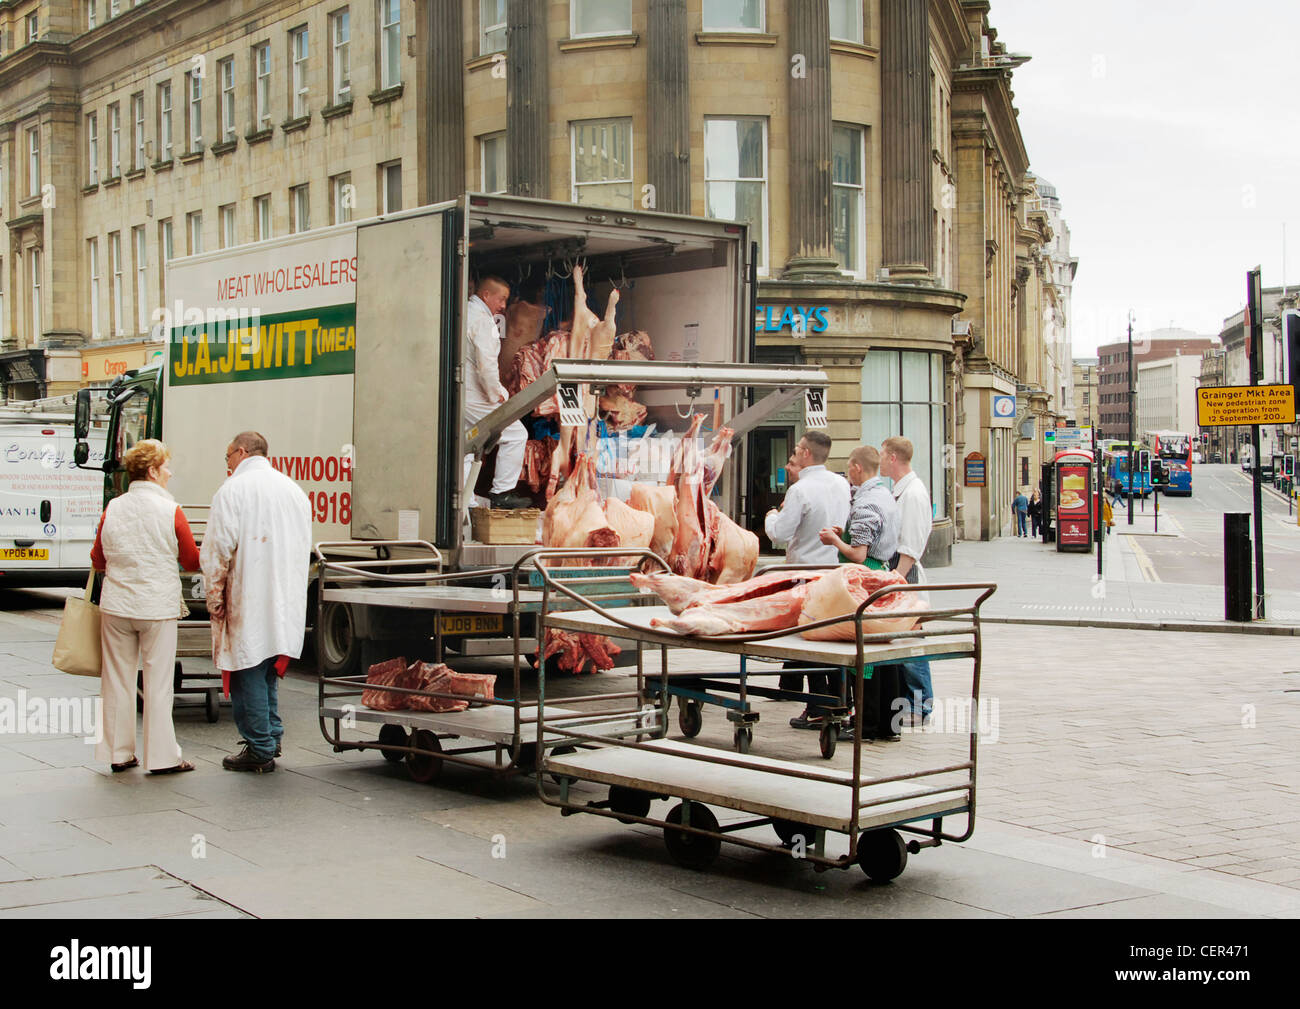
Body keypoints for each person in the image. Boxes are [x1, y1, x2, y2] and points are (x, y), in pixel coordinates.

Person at [201, 431, 312, 773]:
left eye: (227, 457)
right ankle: (271, 735)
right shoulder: (294, 491)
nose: (228, 465)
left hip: (246, 598)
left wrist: (215, 598)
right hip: (285, 597)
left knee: (247, 670)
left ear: (241, 451)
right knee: (265, 670)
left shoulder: (232, 490)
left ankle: (260, 745)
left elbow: (217, 551)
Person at [91, 440, 199, 775]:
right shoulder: (171, 510)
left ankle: (118, 753)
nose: (170, 471)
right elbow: (191, 560)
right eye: (166, 466)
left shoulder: (113, 508)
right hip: (156, 607)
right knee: (158, 683)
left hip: (117, 606)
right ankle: (163, 757)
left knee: (117, 680)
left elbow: (97, 559)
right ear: (152, 471)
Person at [764, 431, 850, 729]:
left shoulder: (800, 490)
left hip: (805, 574)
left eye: (798, 449)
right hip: (834, 574)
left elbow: (780, 534)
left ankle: (817, 706)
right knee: (833, 639)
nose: (795, 453)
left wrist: (771, 516)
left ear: (806, 454)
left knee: (809, 640)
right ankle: (840, 702)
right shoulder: (841, 485)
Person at [818, 445, 904, 741]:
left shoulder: (866, 502)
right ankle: (889, 724)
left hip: (864, 577)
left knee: (863, 656)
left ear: (857, 467)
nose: (848, 473)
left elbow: (857, 554)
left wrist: (834, 540)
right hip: (882, 572)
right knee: (882, 652)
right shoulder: (885, 495)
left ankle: (865, 724)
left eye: (849, 468)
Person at [879, 436, 933, 725]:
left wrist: (895, 580)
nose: (879, 459)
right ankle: (910, 702)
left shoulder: (912, 494)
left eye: (882, 453)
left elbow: (910, 545)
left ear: (892, 458)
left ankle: (921, 705)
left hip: (906, 573)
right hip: (900, 571)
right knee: (904, 639)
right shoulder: (902, 490)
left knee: (911, 640)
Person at [464, 275, 530, 509]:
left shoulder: (464, 313)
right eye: (501, 300)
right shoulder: (484, 322)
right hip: (476, 396)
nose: (503, 306)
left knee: (466, 446)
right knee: (516, 434)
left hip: (460, 396)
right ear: (486, 296)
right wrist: (497, 394)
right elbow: (487, 365)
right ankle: (501, 493)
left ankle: (465, 503)